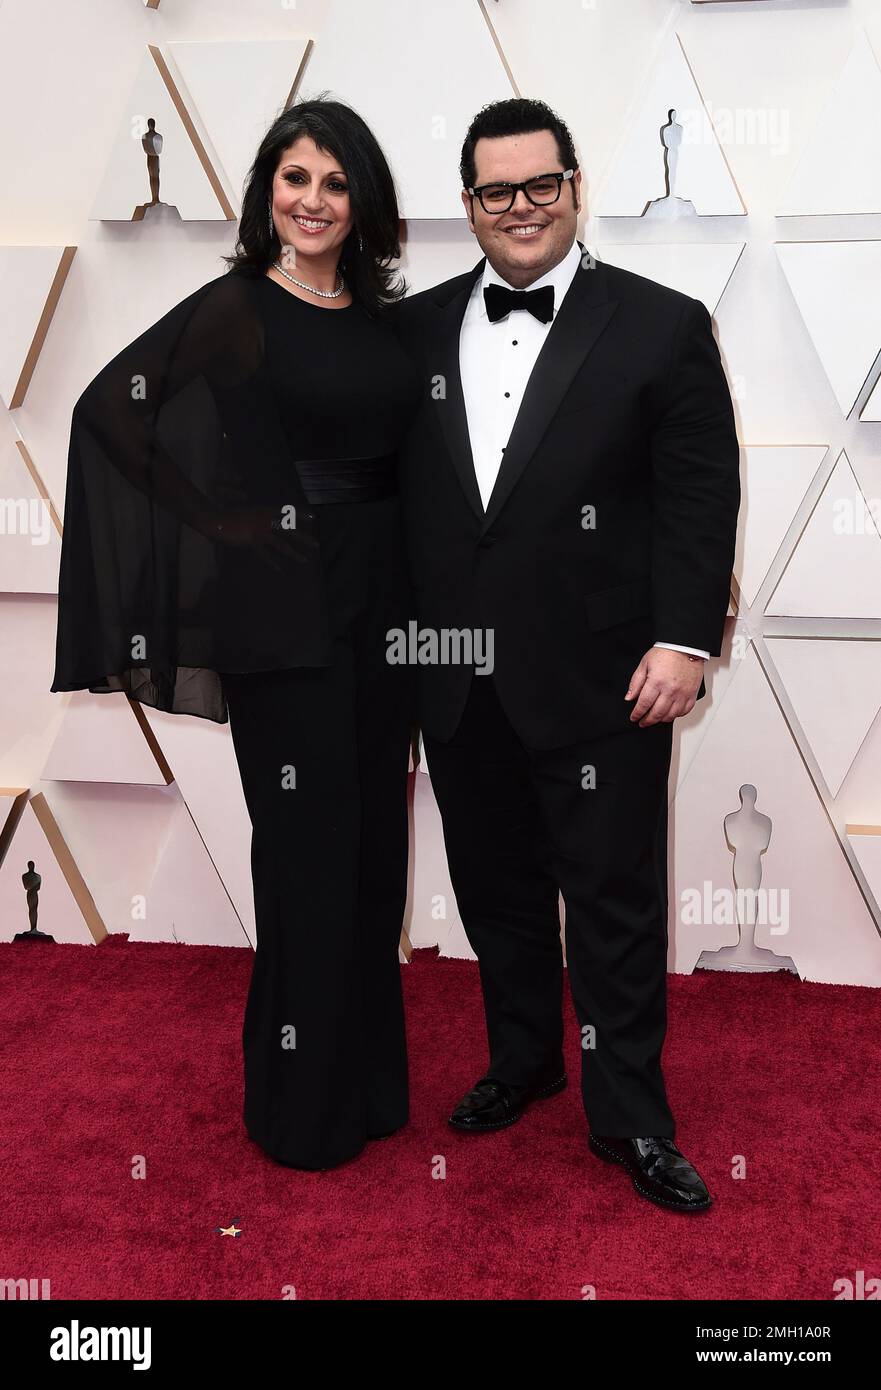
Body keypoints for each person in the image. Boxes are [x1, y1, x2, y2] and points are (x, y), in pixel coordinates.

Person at [51, 99, 421, 1170]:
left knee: (370, 855)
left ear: (363, 204)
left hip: (383, 607)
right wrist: (224, 522)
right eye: (293, 178)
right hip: (286, 614)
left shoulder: (381, 319)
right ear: (268, 189)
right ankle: (300, 1108)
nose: (311, 200)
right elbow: (109, 412)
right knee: (308, 853)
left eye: (334, 183)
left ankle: (367, 1084)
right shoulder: (236, 308)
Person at [394, 98, 740, 1212]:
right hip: (456, 668)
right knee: (493, 888)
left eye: (539, 184)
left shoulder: (659, 322)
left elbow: (697, 492)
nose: (520, 207)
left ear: (575, 185)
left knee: (611, 902)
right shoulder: (414, 329)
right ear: (469, 206)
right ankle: (524, 1058)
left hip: (607, 675)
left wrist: (683, 640)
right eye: (496, 191)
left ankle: (630, 1117)